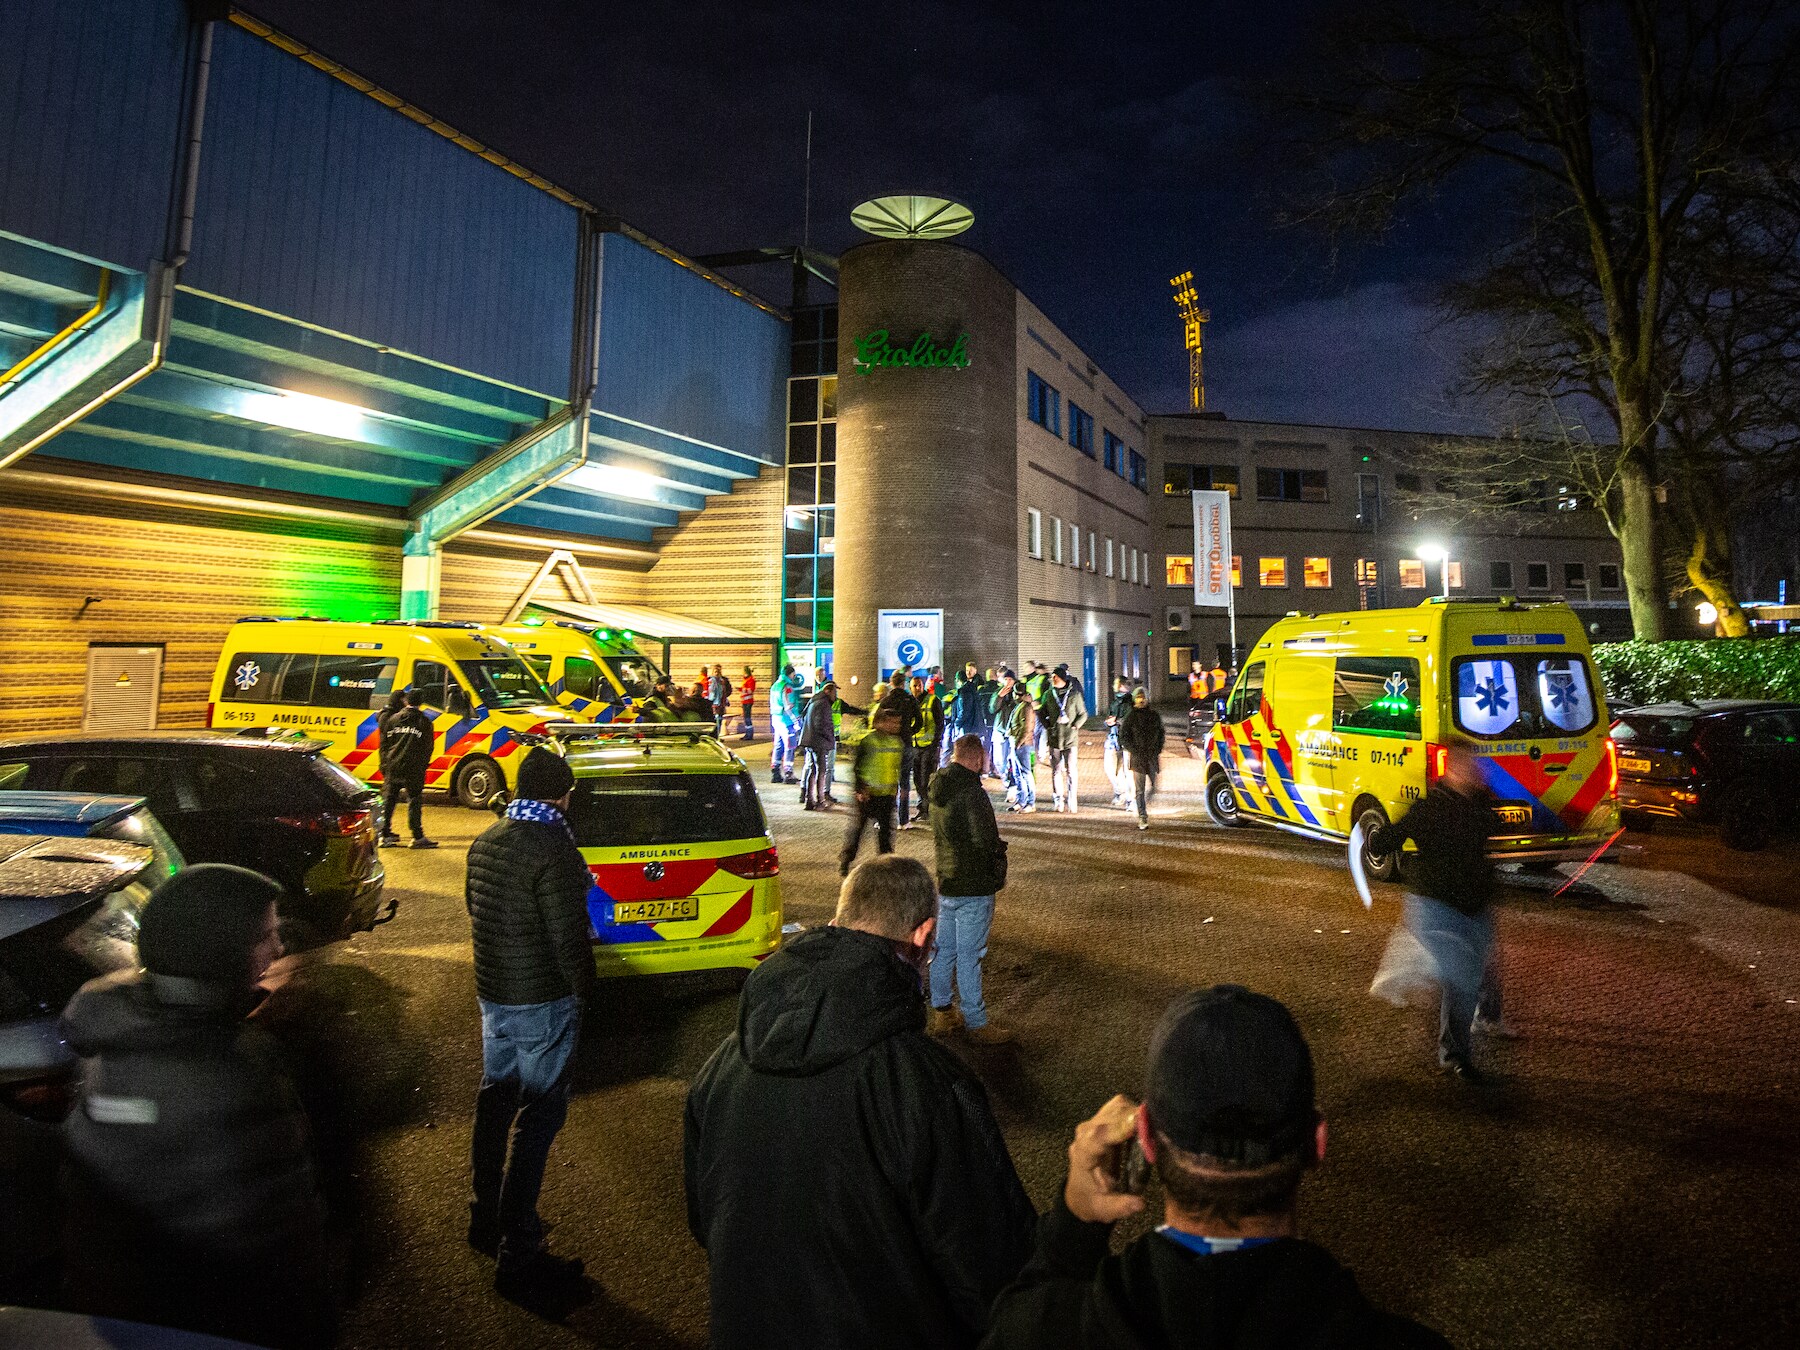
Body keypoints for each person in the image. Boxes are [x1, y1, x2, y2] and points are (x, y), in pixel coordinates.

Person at [685, 855, 1036, 1350]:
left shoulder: (725, 1061)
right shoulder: (926, 1084)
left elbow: (706, 1216)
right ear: (924, 935)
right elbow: (989, 1264)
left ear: (837, 920)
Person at [981, 986, 1452, 1350]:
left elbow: (1012, 1320)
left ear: (1144, 1137)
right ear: (1316, 1143)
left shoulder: (1045, 1331)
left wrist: (1073, 1225)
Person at [60, 865, 337, 1349]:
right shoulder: (231, 1069)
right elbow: (276, 1227)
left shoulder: (115, 1031)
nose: (279, 949)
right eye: (266, 936)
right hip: (220, 1319)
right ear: (221, 953)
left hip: (123, 1312)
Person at [465, 746, 595, 1305]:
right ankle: (520, 1255)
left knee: (496, 1098)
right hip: (542, 997)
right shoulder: (555, 850)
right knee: (538, 1117)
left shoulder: (486, 841)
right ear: (562, 794)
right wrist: (586, 995)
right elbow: (569, 938)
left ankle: (483, 1217)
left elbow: (479, 911)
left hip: (495, 993)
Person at [1368, 741, 1506, 1083]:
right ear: (1453, 768)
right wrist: (1372, 839)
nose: (1476, 771)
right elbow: (1389, 839)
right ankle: (1454, 1054)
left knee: (1484, 965)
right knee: (1461, 980)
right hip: (1437, 906)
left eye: (1477, 766)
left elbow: (1496, 826)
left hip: (1475, 903)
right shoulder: (1430, 808)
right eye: (1470, 765)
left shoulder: (1479, 802)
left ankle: (1487, 1018)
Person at [928, 734, 1012, 1045]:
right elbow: (984, 839)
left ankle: (941, 1011)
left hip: (947, 880)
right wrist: (998, 856)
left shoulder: (938, 785)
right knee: (969, 955)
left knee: (943, 950)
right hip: (973, 883)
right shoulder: (972, 791)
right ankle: (976, 1022)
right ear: (976, 758)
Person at [839, 706, 905, 875]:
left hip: (886, 796)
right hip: (867, 796)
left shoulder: (897, 743)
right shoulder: (868, 741)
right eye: (892, 722)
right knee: (858, 831)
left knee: (886, 834)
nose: (896, 726)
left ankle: (886, 865)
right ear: (880, 723)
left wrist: (898, 788)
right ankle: (846, 860)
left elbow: (897, 767)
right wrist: (859, 788)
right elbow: (856, 767)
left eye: (898, 723)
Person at [378, 686, 437, 848]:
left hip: (393, 764)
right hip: (413, 768)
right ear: (421, 703)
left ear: (406, 701)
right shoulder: (424, 722)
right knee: (414, 800)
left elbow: (384, 744)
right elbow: (427, 747)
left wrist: (385, 763)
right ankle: (417, 837)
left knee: (389, 800)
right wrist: (423, 765)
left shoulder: (393, 719)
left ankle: (383, 835)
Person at [878, 672, 924, 826]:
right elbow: (919, 721)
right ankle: (903, 821)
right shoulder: (910, 700)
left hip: (888, 745)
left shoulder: (885, 701)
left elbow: (877, 722)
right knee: (904, 782)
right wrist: (909, 732)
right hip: (905, 744)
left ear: (891, 683)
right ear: (904, 683)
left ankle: (883, 819)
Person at [1119, 687, 1165, 830]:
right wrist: (1133, 749)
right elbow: (1124, 736)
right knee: (1139, 789)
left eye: (1143, 697)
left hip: (1151, 756)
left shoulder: (1154, 715)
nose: (1141, 700)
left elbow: (1161, 733)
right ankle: (1142, 815)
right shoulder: (1131, 717)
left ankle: (1144, 804)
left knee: (1153, 785)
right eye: (1138, 698)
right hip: (1138, 757)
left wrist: (1157, 748)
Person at [1045, 666, 1089, 814]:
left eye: (1055, 677)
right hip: (1055, 738)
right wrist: (1048, 726)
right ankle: (1058, 799)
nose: (1053, 679)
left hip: (1070, 738)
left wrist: (1076, 725)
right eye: (1052, 677)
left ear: (1062, 678)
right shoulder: (1049, 695)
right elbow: (1041, 712)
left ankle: (1072, 799)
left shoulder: (1074, 695)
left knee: (1071, 771)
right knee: (1056, 770)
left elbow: (1083, 714)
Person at [798, 677, 841, 810]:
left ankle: (810, 800)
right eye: (834, 692)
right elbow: (821, 725)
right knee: (821, 770)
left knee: (813, 770)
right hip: (819, 742)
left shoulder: (814, 700)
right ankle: (820, 800)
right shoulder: (823, 703)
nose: (836, 696)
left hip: (810, 740)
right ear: (828, 691)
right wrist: (830, 739)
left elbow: (805, 717)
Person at [908, 673, 941, 825]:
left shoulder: (933, 700)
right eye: (915, 686)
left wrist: (935, 744)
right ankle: (923, 808)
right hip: (915, 746)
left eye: (919, 685)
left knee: (926, 779)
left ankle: (929, 809)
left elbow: (940, 724)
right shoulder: (909, 702)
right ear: (910, 687)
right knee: (917, 780)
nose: (917, 688)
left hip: (929, 747)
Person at [1005, 675, 1041, 813]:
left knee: (1026, 774)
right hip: (1017, 743)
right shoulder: (1020, 706)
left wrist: (1018, 743)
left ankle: (1030, 803)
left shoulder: (1026, 707)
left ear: (1017, 694)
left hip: (1023, 745)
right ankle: (1021, 800)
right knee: (1018, 774)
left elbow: (1027, 728)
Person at [1102, 676, 1133, 808]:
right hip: (1113, 738)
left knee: (1127, 770)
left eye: (1117, 684)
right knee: (1109, 768)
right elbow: (1109, 717)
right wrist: (1108, 722)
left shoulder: (1130, 702)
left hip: (1127, 740)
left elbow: (1131, 720)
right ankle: (1120, 792)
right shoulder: (1114, 702)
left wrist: (1117, 721)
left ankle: (1131, 799)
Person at [771, 666, 804, 784]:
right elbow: (788, 706)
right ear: (789, 674)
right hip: (786, 721)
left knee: (778, 745)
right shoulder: (787, 686)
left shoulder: (775, 685)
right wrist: (796, 721)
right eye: (793, 675)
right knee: (790, 746)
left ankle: (775, 772)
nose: (794, 677)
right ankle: (788, 773)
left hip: (776, 719)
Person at [708, 663, 732, 738]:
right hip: (718, 703)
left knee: (718, 720)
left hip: (717, 703)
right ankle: (715, 736)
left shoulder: (721, 680)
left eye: (718, 671)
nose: (717, 673)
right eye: (716, 671)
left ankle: (716, 736)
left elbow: (713, 693)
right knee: (716, 720)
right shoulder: (715, 680)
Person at [738, 664, 757, 740]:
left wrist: (742, 689)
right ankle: (747, 734)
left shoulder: (751, 680)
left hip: (748, 701)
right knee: (746, 718)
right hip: (745, 701)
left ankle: (749, 734)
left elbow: (750, 690)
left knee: (747, 718)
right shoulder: (745, 679)